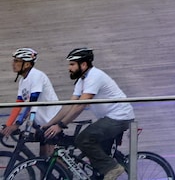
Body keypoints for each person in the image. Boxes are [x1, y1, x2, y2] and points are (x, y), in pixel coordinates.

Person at [41, 48, 134, 180]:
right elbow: (69, 105)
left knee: (83, 139)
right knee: (98, 162)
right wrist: (50, 124)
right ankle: (106, 168)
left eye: (72, 64)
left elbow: (80, 106)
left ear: (83, 64)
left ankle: (112, 167)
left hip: (119, 118)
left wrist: (61, 125)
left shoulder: (94, 76)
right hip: (109, 118)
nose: (69, 68)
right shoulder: (82, 80)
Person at [3, 48, 62, 156]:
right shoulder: (22, 81)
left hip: (51, 121)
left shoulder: (36, 76)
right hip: (42, 124)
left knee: (52, 159)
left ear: (27, 64)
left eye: (17, 61)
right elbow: (18, 105)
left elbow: (32, 104)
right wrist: (7, 125)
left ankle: (68, 173)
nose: (13, 64)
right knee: (43, 161)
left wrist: (18, 124)